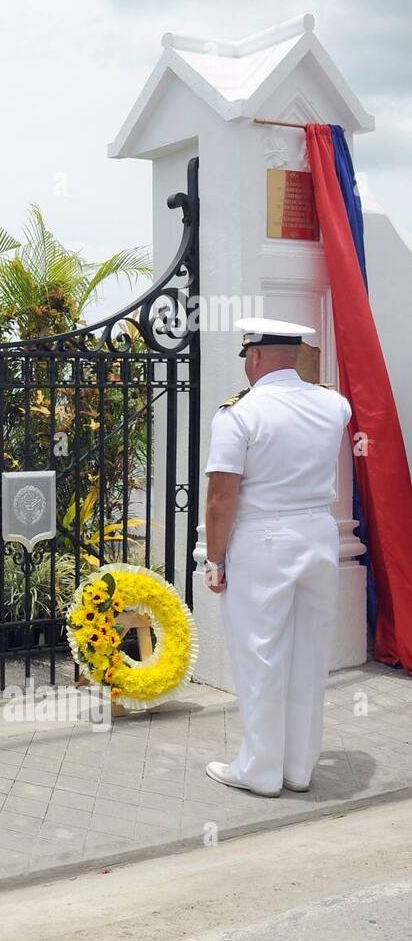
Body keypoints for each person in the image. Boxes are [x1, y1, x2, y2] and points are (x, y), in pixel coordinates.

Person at [202, 317, 352, 798]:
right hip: (318, 533)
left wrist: (216, 558)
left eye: (247, 356)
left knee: (260, 653)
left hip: (264, 537)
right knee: (309, 654)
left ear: (256, 356)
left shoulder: (239, 414)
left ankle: (260, 770)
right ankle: (298, 768)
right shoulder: (334, 404)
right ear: (295, 354)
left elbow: (222, 496)